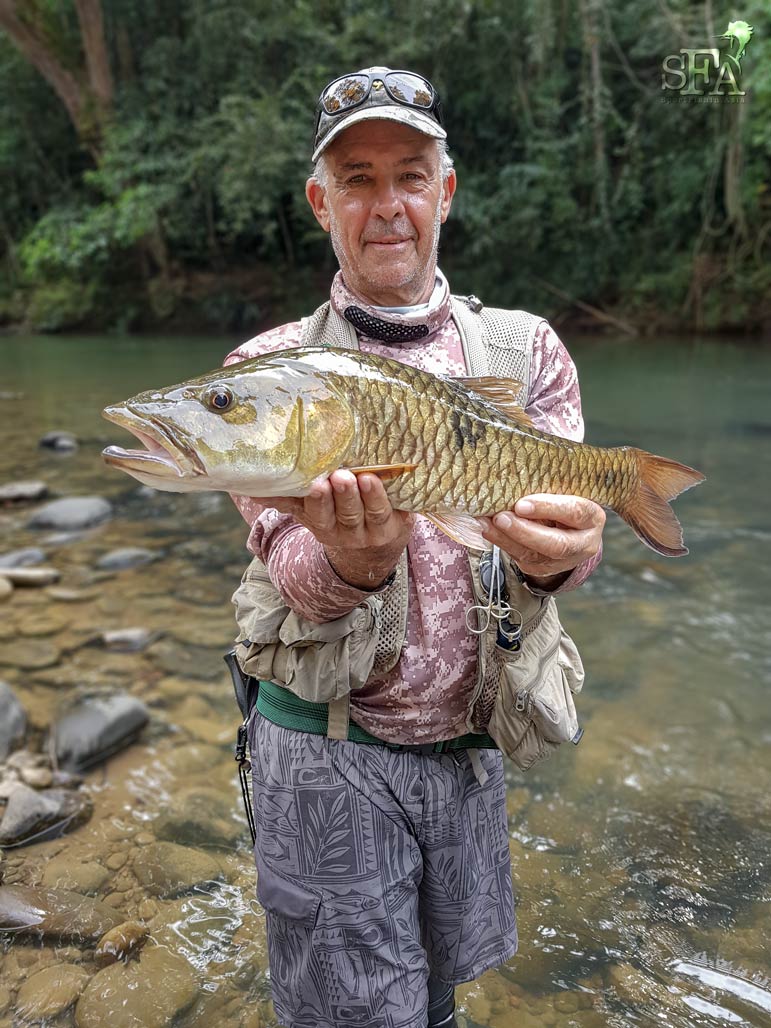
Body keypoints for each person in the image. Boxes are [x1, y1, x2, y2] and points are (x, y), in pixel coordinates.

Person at [224, 67, 605, 1028]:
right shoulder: (262, 380)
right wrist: (354, 560)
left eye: (408, 175)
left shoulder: (526, 352)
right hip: (323, 753)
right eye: (356, 179)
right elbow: (298, 580)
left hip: (468, 755)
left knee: (434, 1003)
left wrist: (562, 550)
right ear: (322, 202)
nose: (385, 204)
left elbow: (557, 562)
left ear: (445, 191)